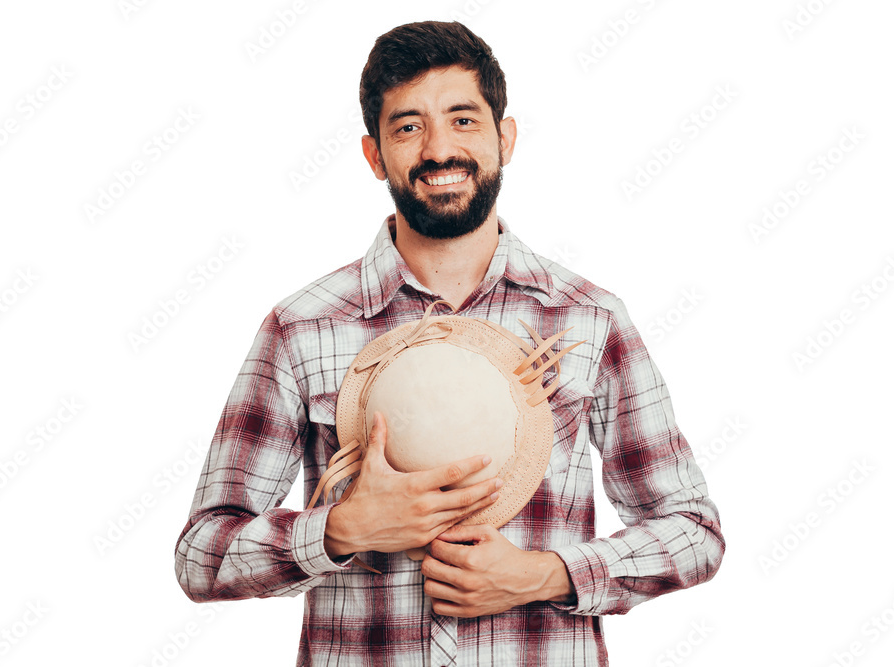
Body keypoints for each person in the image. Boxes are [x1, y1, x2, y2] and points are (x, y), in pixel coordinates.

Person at [175, 20, 724, 666]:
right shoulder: (302, 326)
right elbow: (201, 554)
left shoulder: (589, 320)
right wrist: (345, 528)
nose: (438, 149)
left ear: (505, 137)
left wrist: (545, 573)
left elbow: (694, 531)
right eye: (408, 127)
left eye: (463, 120)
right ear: (374, 154)